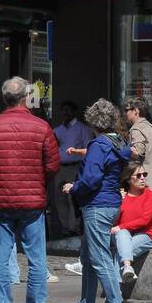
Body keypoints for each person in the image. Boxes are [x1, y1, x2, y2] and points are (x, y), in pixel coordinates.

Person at [0, 77, 60, 303]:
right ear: (25, 97)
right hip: (32, 201)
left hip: (0, 201)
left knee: (1, 256)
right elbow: (52, 165)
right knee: (37, 258)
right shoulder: (41, 126)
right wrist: (38, 182)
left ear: (3, 99)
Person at [60, 99, 130, 303]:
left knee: (99, 258)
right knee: (89, 258)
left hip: (97, 204)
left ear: (93, 121)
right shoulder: (118, 142)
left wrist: (74, 187)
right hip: (109, 202)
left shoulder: (99, 145)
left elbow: (91, 178)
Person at [51, 101, 92, 237]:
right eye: (63, 110)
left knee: (72, 197)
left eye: (68, 110)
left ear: (74, 112)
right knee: (60, 197)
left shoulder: (83, 129)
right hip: (60, 167)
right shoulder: (58, 130)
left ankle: (74, 226)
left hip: (75, 167)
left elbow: (88, 149)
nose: (65, 113)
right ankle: (65, 226)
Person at [113, 163, 152, 282]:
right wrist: (119, 204)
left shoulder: (150, 195)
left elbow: (145, 221)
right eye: (138, 175)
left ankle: (115, 293)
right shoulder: (122, 197)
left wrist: (120, 227)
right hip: (124, 235)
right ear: (128, 179)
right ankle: (127, 267)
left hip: (147, 235)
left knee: (120, 252)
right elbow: (115, 222)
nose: (142, 178)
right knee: (122, 235)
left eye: (144, 174)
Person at [123, 96, 152, 198]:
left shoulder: (137, 130)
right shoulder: (150, 127)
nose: (125, 114)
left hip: (142, 186)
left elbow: (137, 152)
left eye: (126, 110)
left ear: (135, 111)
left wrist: (121, 149)